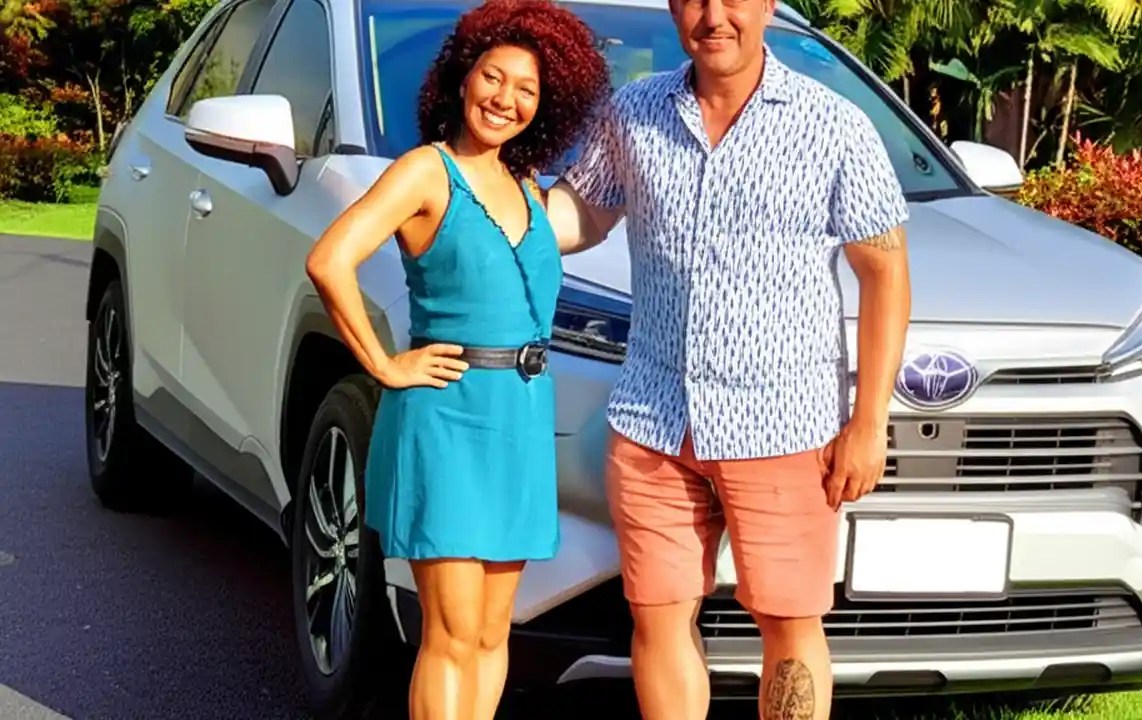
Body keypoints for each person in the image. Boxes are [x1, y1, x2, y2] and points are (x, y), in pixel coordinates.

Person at [543, 0, 912, 715]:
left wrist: (870, 422)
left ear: (768, 4)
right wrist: (496, 213)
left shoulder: (831, 125)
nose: (714, 16)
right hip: (653, 419)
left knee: (789, 622)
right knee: (657, 615)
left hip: (784, 426)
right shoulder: (634, 112)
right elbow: (584, 210)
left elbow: (885, 272)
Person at [304, 1, 609, 717]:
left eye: (527, 88)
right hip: (446, 418)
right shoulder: (426, 171)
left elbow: (601, 213)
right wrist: (385, 365)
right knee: (447, 634)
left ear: (546, 104)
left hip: (520, 421)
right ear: (461, 77)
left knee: (493, 634)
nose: (505, 98)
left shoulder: (529, 188)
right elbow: (330, 260)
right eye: (493, 77)